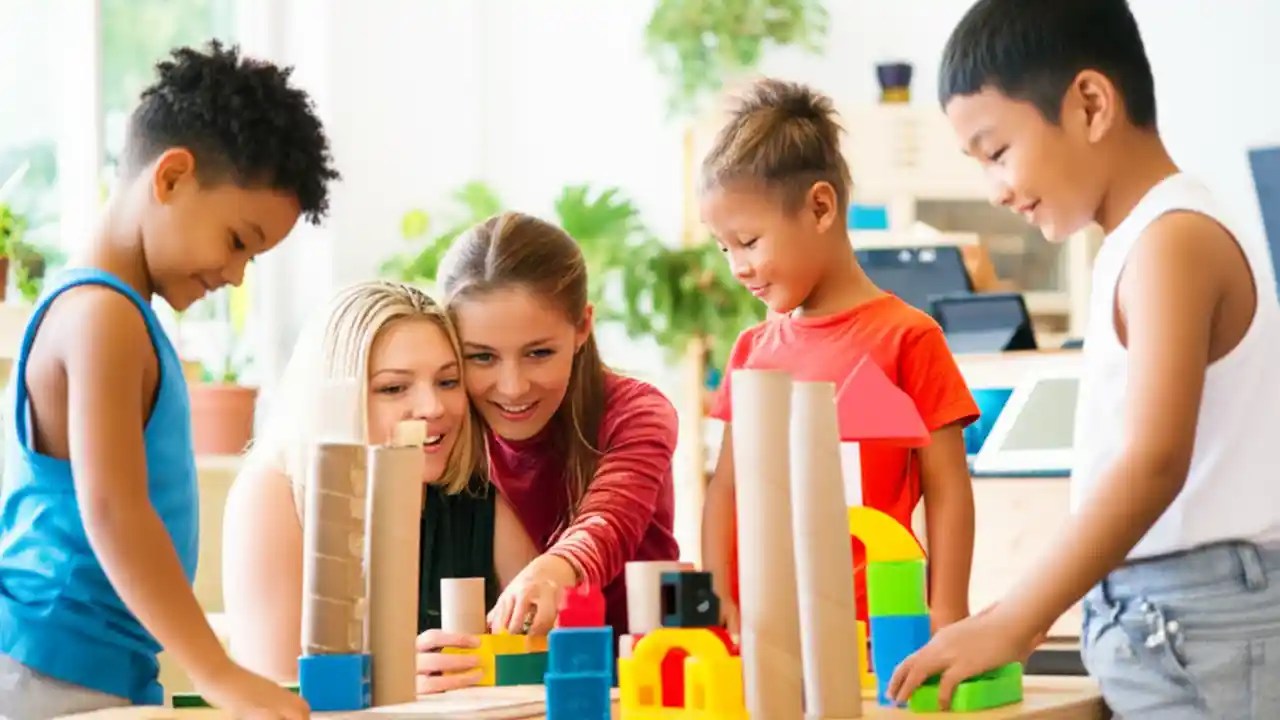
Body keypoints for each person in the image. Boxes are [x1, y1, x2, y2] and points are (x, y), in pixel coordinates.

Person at [887, 0, 1280, 715]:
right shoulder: (1137, 243)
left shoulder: (1173, 241)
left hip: (1202, 617)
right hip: (1160, 614)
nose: (996, 190)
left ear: (1091, 104)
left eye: (998, 153)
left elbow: (1154, 462)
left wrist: (1014, 618)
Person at [0, 41, 338, 719]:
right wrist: (218, 673)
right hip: (49, 662)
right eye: (238, 241)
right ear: (172, 177)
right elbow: (114, 511)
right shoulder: (102, 317)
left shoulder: (114, 314)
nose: (237, 273)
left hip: (89, 661)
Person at [699, 77, 980, 634]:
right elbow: (726, 486)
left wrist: (947, 610)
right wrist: (715, 593)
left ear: (821, 207)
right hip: (766, 627)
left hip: (879, 627)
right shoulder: (753, 350)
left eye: (750, 242)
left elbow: (947, 489)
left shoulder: (908, 337)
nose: (738, 267)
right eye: (724, 248)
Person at [223, 280, 539, 695]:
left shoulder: (475, 501)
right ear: (337, 397)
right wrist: (381, 681)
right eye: (393, 388)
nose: (432, 408)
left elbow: (549, 646)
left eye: (447, 382)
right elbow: (271, 692)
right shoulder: (273, 493)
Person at [436, 211, 681, 641]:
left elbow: (608, 522)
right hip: (504, 678)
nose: (512, 388)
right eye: (482, 357)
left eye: (539, 353)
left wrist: (553, 571)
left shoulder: (638, 413)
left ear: (583, 326)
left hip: (636, 673)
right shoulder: (450, 423)